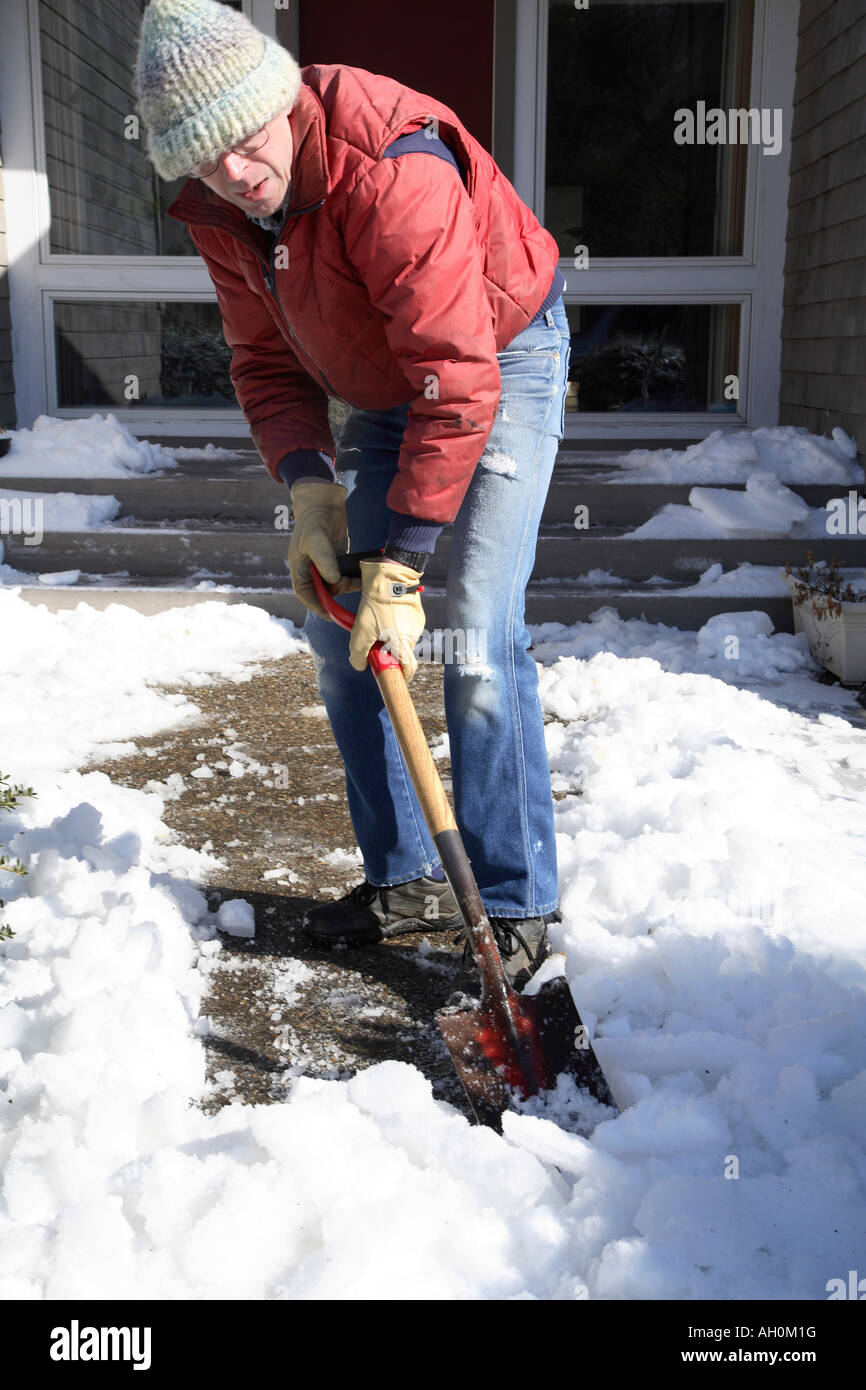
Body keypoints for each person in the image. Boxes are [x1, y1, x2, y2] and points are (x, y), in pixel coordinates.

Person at [135, 0, 570, 990]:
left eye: (249, 144)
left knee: (473, 627)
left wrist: (406, 563)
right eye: (207, 162)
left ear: (283, 101)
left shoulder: (389, 161)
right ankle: (406, 878)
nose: (239, 176)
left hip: (495, 354)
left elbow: (455, 378)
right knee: (342, 634)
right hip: (384, 383)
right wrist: (310, 491)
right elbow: (263, 363)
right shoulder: (222, 208)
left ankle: (513, 903)